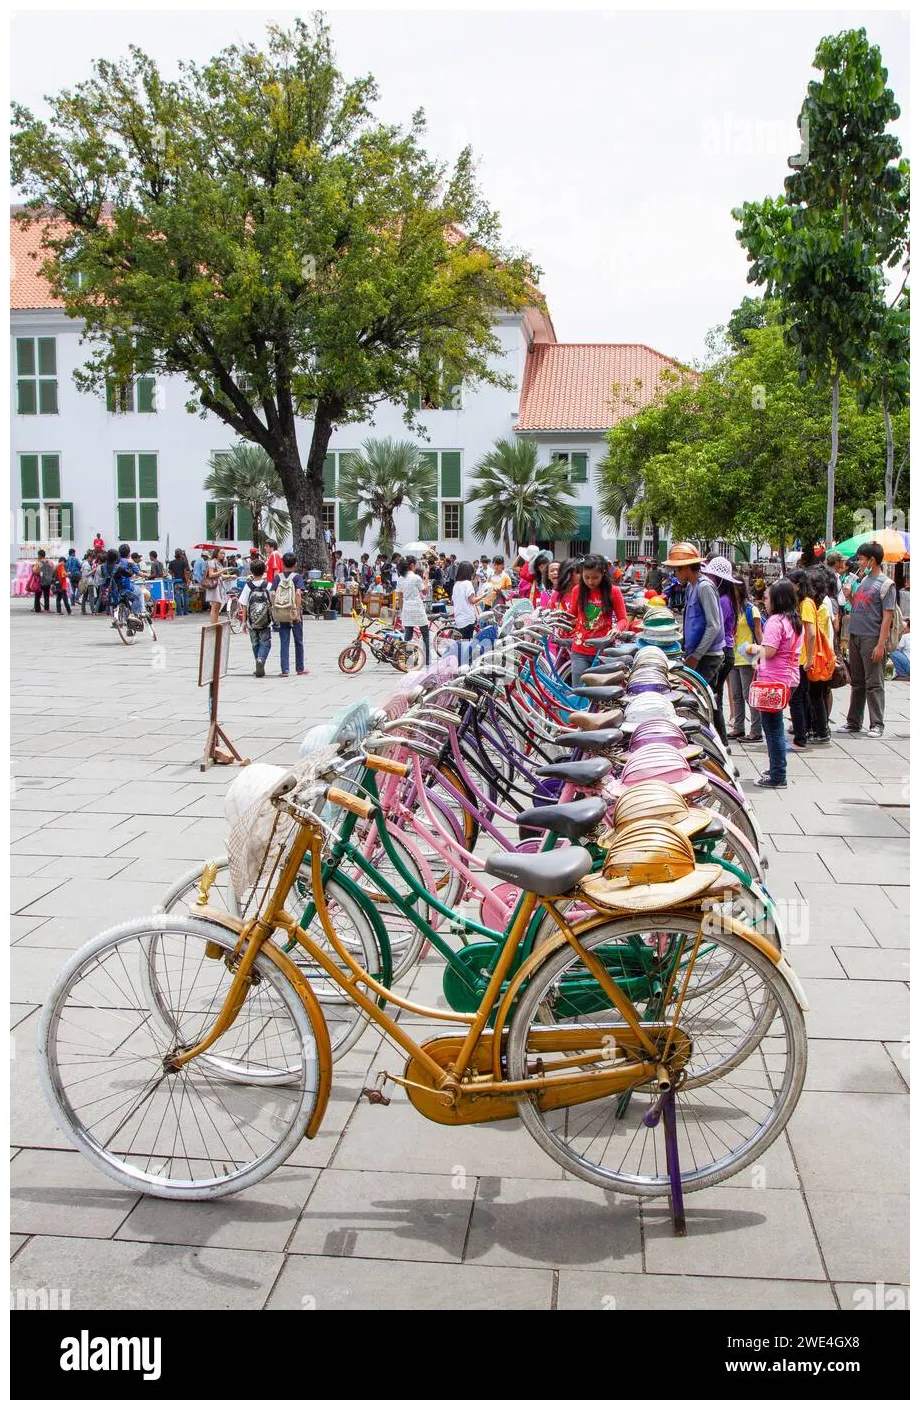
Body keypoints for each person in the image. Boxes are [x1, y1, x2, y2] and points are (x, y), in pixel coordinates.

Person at [745, 578, 804, 789]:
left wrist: (753, 649)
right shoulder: (794, 620)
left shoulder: (775, 621)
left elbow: (769, 651)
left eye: (768, 598)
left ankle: (778, 774)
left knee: (773, 728)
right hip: (789, 679)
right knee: (774, 726)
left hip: (773, 682)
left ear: (778, 600)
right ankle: (776, 769)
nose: (765, 601)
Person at [840, 540, 896, 738]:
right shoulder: (863, 581)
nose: (860, 563)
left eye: (862, 559)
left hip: (872, 637)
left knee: (874, 683)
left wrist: (880, 645)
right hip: (855, 635)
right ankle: (853, 721)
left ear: (872, 560)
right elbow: (858, 606)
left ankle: (876, 724)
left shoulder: (886, 584)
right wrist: (849, 596)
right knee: (857, 682)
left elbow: (887, 617)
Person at [665, 542, 725, 692]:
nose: (675, 574)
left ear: (685, 568)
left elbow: (714, 626)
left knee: (698, 698)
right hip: (697, 654)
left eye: (676, 570)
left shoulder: (704, 587)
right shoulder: (691, 587)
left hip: (707, 656)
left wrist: (696, 656)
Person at [563, 553, 628, 688]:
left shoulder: (613, 591)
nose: (590, 582)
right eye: (586, 577)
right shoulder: (577, 590)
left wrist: (617, 628)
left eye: (595, 578)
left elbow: (623, 619)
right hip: (580, 649)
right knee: (579, 691)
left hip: (603, 650)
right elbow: (572, 614)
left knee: (600, 693)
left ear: (603, 574)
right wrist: (559, 617)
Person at [701, 555, 740, 746]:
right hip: (727, 650)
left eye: (711, 576)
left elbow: (716, 626)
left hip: (723, 651)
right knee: (715, 697)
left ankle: (721, 742)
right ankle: (721, 742)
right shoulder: (726, 598)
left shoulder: (723, 600)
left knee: (714, 699)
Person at [728, 577, 763, 742]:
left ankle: (756, 730)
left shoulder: (751, 610)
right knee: (736, 695)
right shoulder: (731, 608)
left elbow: (759, 634)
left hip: (747, 657)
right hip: (733, 656)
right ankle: (738, 727)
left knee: (749, 695)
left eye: (733, 588)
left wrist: (761, 657)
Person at [787, 569, 817, 751]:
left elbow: (811, 633)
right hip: (800, 657)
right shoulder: (803, 603)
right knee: (801, 697)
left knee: (796, 699)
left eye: (790, 582)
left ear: (798, 585)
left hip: (802, 658)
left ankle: (800, 738)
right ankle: (803, 733)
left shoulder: (805, 604)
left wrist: (810, 657)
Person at [270, 551, 308, 676]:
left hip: (282, 613)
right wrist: (297, 611)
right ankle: (300, 668)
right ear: (295, 564)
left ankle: (285, 669)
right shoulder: (297, 577)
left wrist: (275, 608)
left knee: (284, 642)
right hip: (294, 613)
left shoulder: (278, 577)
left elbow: (272, 593)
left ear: (282, 563)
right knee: (298, 642)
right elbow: (298, 593)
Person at [238, 557, 273, 677]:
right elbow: (272, 602)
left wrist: (243, 623)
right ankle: (261, 660)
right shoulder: (268, 585)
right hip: (265, 621)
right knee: (265, 642)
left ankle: (258, 661)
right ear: (264, 571)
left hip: (251, 621)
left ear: (251, 571)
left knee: (255, 643)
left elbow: (244, 606)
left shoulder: (248, 586)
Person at [397, 554, 430, 664]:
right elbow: (424, 591)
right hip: (417, 608)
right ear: (411, 565)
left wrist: (402, 610)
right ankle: (427, 660)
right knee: (425, 635)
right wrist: (426, 577)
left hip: (407, 608)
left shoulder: (400, 579)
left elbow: (400, 596)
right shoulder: (416, 578)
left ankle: (408, 660)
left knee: (408, 636)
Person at [451, 560, 478, 640]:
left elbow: (453, 600)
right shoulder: (468, 583)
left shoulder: (456, 584)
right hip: (467, 618)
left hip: (459, 618)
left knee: (462, 641)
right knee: (467, 642)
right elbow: (472, 601)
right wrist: (483, 595)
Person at [169, 549, 191, 615]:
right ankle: (186, 611)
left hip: (176, 582)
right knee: (186, 596)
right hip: (183, 581)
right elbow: (185, 572)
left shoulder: (171, 562)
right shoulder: (184, 562)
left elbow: (170, 572)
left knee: (177, 597)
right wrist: (187, 581)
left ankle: (179, 612)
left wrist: (174, 575)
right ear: (181, 554)